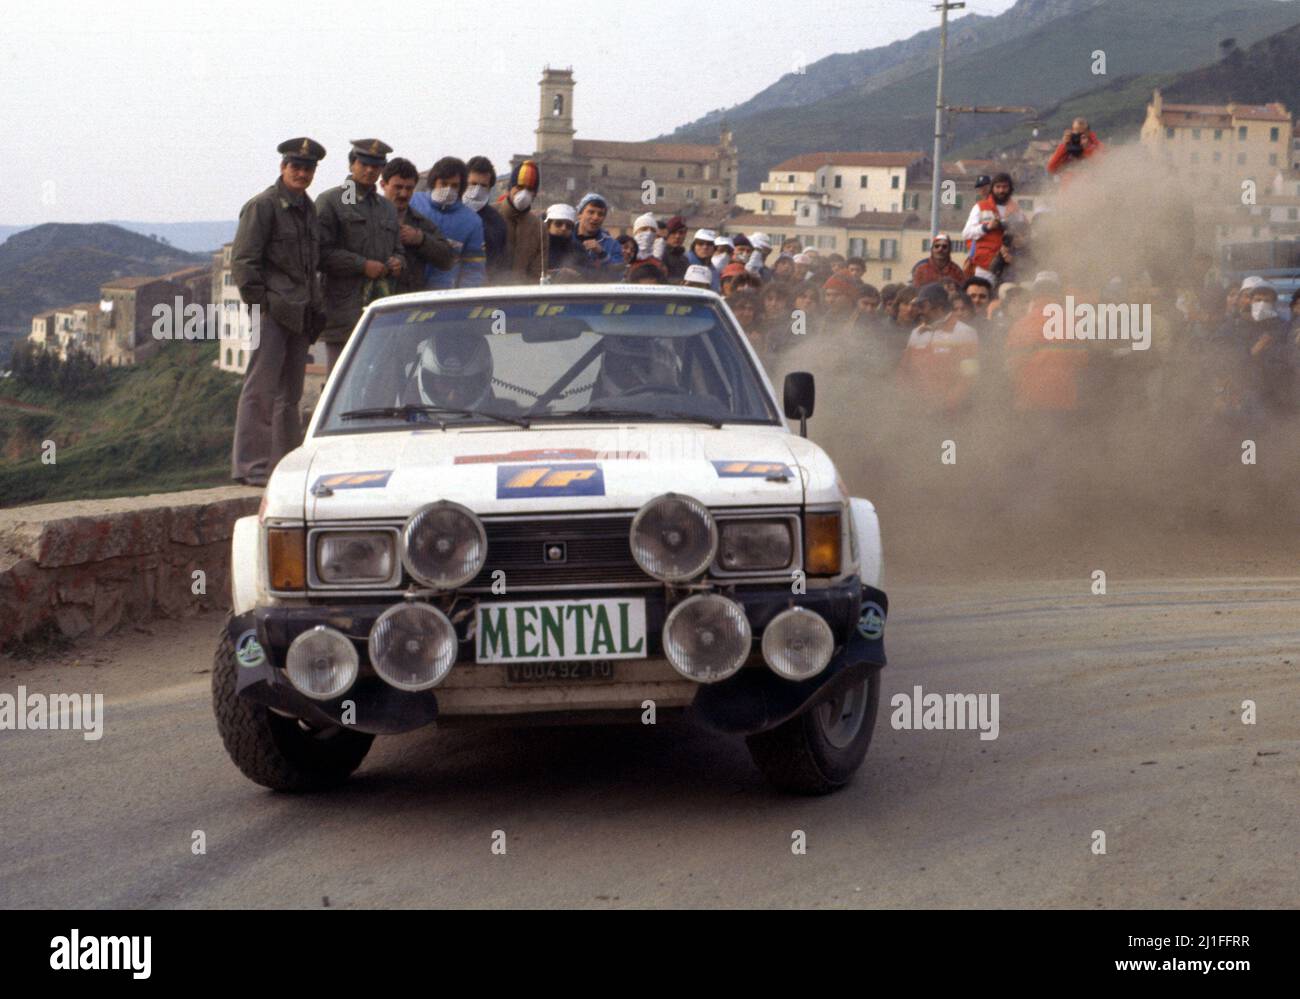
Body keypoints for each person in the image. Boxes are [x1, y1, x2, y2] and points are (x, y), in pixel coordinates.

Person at [230, 137, 327, 487]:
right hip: (271, 313)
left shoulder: (308, 208)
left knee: (291, 395)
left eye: (308, 168)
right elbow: (243, 262)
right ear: (283, 167)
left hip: (300, 314)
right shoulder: (263, 206)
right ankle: (250, 468)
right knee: (260, 391)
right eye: (296, 166)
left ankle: (285, 467)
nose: (302, 173)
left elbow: (310, 265)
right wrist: (263, 307)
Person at [316, 139, 403, 371]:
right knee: (342, 378)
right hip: (343, 309)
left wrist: (397, 261)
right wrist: (361, 265)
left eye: (376, 165)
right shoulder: (331, 202)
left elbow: (398, 249)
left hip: (382, 308)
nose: (369, 170)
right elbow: (320, 253)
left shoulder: (387, 208)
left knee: (383, 379)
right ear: (352, 164)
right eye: (363, 163)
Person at [897, 282, 979, 413]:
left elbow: (969, 375)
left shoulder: (965, 332)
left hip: (951, 414)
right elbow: (904, 370)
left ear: (939, 306)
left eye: (922, 306)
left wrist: (947, 405)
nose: (919, 310)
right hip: (917, 412)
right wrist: (908, 400)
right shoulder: (917, 333)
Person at [380, 157, 456, 295]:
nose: (403, 194)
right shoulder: (366, 218)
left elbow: (447, 260)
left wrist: (421, 240)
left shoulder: (421, 223)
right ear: (383, 185)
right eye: (398, 187)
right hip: (373, 302)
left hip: (409, 301)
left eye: (409, 188)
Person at [410, 157, 486, 289]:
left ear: (461, 188)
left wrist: (463, 299)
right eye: (444, 184)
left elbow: (473, 269)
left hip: (443, 295)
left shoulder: (471, 221)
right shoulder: (413, 203)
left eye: (454, 185)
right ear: (434, 182)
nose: (448, 189)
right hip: (409, 290)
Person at [398, 330, 496, 410]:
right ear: (429, 381)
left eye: (462, 384)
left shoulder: (499, 419)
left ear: (477, 384)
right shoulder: (409, 415)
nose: (452, 396)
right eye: (444, 383)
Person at [961, 172, 1025, 285]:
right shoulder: (980, 207)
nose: (1001, 190)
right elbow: (966, 233)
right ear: (992, 188)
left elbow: (1025, 235)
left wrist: (1018, 239)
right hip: (985, 265)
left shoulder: (1017, 211)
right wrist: (987, 227)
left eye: (1005, 187)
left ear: (1010, 188)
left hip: (1009, 265)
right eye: (998, 187)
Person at [498, 159, 543, 284]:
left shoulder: (539, 228)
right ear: (510, 189)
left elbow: (538, 271)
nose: (524, 193)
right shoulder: (492, 216)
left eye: (529, 189)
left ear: (535, 194)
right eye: (520, 187)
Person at [465, 156, 508, 281]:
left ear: (490, 188)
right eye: (473, 184)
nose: (477, 190)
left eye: (483, 186)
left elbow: (499, 265)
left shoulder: (497, 222)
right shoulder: (449, 212)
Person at [571, 192, 623, 280]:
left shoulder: (612, 245)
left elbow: (618, 276)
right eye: (591, 212)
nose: (595, 217)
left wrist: (602, 254)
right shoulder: (566, 238)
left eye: (600, 214)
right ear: (579, 214)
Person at [541, 204, 580, 278]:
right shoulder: (538, 246)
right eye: (558, 224)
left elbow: (591, 271)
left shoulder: (577, 247)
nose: (563, 228)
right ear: (548, 225)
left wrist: (575, 271)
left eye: (568, 226)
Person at [662, 216, 690, 282]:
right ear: (667, 234)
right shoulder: (661, 255)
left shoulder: (684, 259)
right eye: (673, 232)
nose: (677, 236)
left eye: (681, 233)